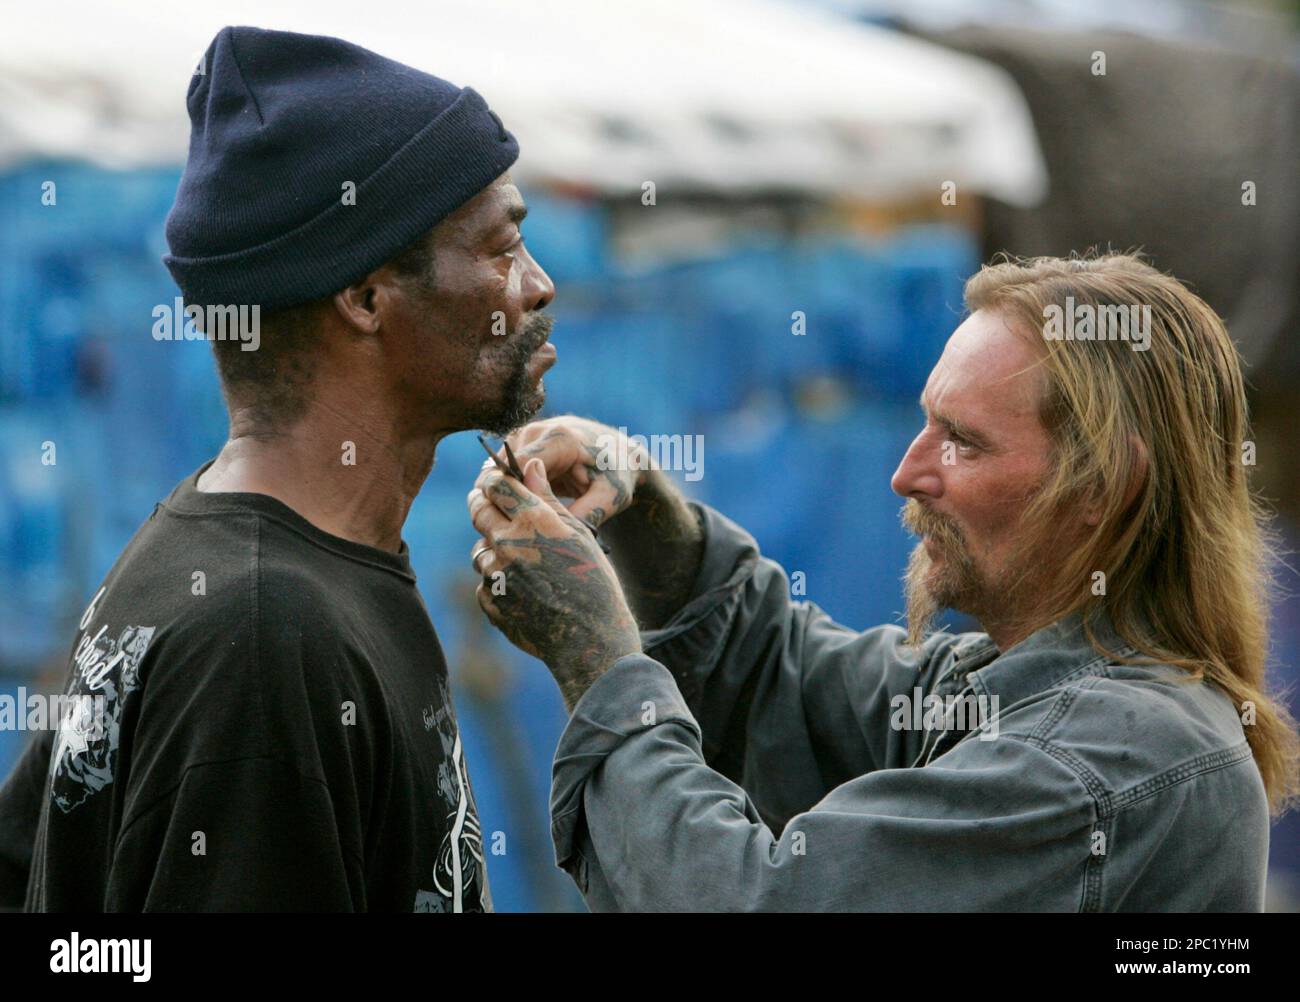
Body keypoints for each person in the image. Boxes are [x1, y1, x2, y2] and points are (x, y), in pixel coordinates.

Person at [466, 253, 1300, 911]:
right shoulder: (1035, 694)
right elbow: (777, 681)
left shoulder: (1102, 764)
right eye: (924, 422)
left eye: (962, 442)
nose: (907, 474)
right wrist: (641, 499)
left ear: (1104, 485)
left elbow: (740, 903)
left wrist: (599, 657)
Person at [0, 26, 555, 911]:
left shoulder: (231, 560)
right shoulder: (267, 637)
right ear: (367, 296)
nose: (537, 286)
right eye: (500, 249)